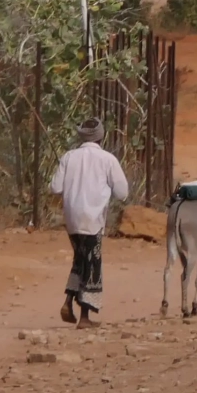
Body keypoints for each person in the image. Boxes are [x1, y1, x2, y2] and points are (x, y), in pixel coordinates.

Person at [47, 119, 132, 326]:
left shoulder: (69, 157)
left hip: (72, 219)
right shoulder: (108, 159)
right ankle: (85, 317)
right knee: (92, 264)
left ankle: (68, 300)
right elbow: (122, 193)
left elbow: (55, 187)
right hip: (93, 218)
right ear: (101, 137)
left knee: (79, 259)